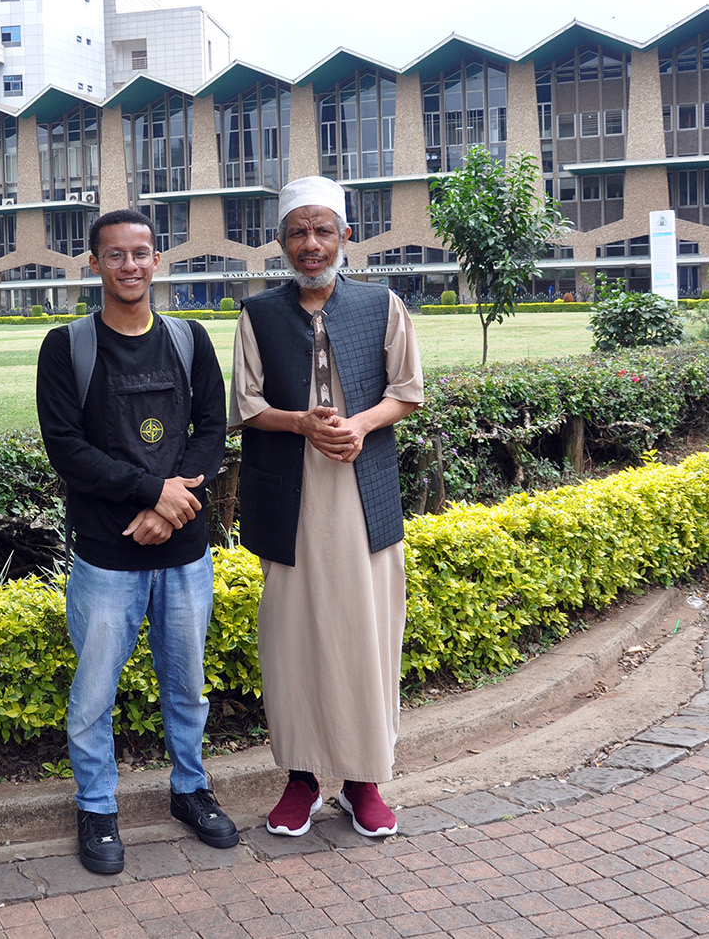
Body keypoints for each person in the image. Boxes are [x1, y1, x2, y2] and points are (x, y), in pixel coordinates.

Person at [36, 208, 237, 875]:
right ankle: (97, 808)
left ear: (158, 260)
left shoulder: (187, 339)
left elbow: (212, 429)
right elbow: (68, 451)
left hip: (184, 555)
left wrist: (173, 506)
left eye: (141, 252)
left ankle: (190, 790)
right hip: (106, 557)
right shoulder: (68, 347)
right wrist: (152, 494)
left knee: (187, 687)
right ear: (94, 263)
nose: (130, 265)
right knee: (93, 696)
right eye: (115, 254)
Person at [229, 175, 423, 840]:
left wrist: (361, 425)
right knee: (293, 638)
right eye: (297, 233)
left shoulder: (383, 304)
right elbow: (248, 407)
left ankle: (365, 779)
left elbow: (408, 391)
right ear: (281, 243)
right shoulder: (257, 315)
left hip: (364, 494)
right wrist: (302, 425)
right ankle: (304, 779)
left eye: (322, 230)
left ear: (346, 235)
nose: (310, 245)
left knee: (368, 632)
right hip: (291, 499)